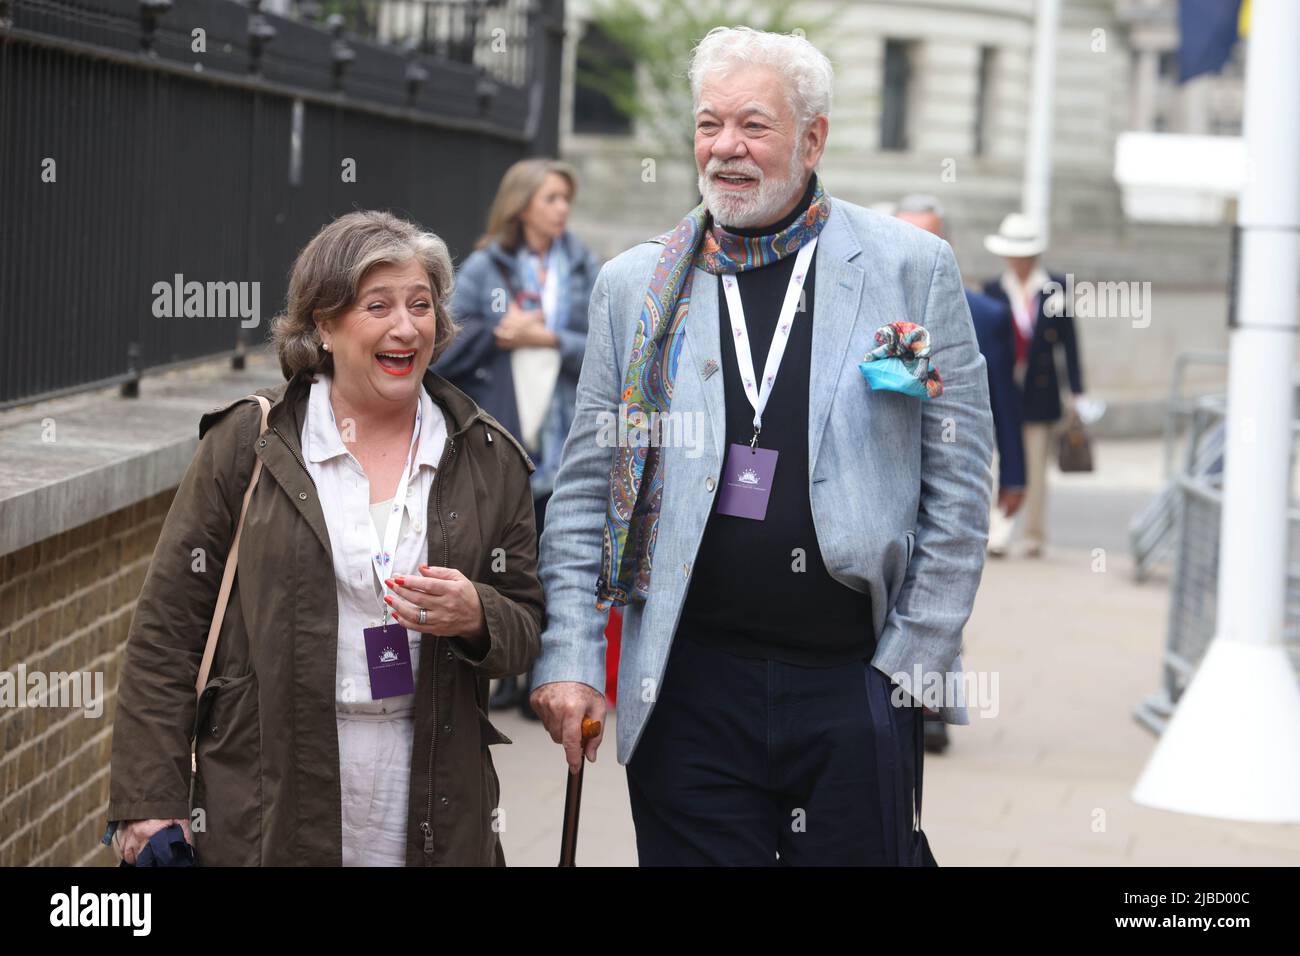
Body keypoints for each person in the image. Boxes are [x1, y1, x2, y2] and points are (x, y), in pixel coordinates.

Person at [529, 27, 993, 865]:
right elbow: (585, 489)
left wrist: (908, 665)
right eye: (709, 125)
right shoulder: (635, 285)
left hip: (854, 681)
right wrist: (567, 655)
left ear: (812, 138)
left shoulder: (909, 269)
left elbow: (959, 489)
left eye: (754, 124)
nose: (726, 148)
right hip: (687, 688)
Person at [104, 210, 543, 866]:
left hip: (428, 794)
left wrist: (478, 615)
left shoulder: (488, 456)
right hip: (272, 794)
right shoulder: (249, 446)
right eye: (379, 305)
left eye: (421, 305)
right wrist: (148, 800)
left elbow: (526, 623)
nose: (406, 326)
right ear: (324, 325)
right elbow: (168, 629)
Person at [433, 158, 600, 719]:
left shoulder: (582, 266)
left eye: (566, 200)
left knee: (559, 550)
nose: (562, 210)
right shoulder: (485, 266)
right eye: (551, 197)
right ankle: (504, 669)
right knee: (504, 555)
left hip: (565, 425)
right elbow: (449, 347)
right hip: (503, 429)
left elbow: (604, 348)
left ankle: (550, 670)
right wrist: (501, 337)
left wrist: (547, 337)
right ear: (524, 202)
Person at [895, 194, 1025, 755]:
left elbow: (1002, 403)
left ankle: (932, 707)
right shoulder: (861, 298)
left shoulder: (984, 314)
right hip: (888, 477)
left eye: (928, 234)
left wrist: (1014, 475)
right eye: (906, 232)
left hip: (946, 476)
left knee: (939, 585)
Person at [982, 212, 1085, 558]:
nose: (1019, 261)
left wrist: (1077, 390)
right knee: (999, 464)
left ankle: (1034, 535)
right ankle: (998, 533)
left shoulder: (1055, 287)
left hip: (1041, 391)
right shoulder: (994, 290)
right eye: (1013, 254)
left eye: (1024, 254)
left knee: (1037, 467)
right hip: (1001, 390)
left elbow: (1069, 341)